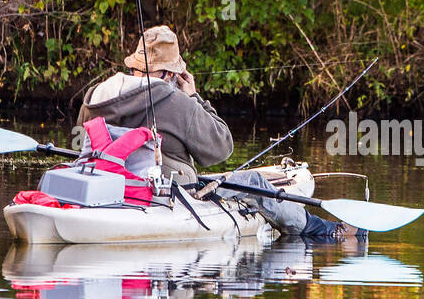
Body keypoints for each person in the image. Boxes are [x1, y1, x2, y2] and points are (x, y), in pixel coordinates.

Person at [77, 25, 361, 241]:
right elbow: (220, 149)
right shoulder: (173, 101)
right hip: (167, 192)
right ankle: (325, 230)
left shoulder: (96, 95)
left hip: (107, 185)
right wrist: (194, 98)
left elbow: (83, 139)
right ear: (169, 73)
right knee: (252, 181)